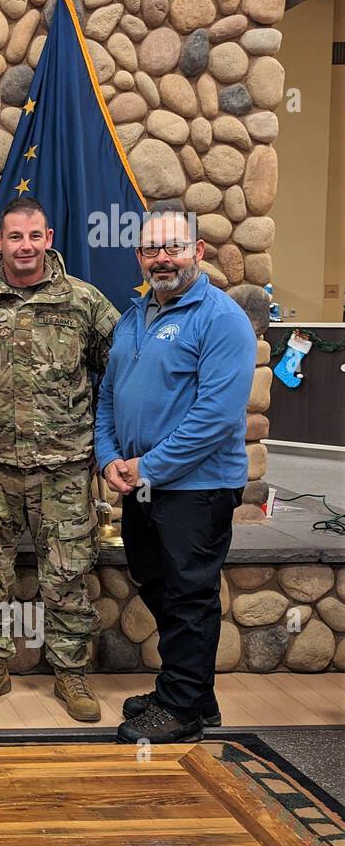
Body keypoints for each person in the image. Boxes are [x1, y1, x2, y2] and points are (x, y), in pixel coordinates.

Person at [0, 197, 119, 720]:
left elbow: (118, 374)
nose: (25, 247)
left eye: (34, 236)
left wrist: (100, 442)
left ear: (49, 237)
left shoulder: (84, 303)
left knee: (66, 575)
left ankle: (71, 675)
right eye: (14, 237)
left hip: (63, 466)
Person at [97, 210, 255, 743]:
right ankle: (190, 689)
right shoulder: (133, 315)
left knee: (189, 594)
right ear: (139, 257)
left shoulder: (222, 319)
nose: (162, 258)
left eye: (174, 247)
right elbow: (107, 397)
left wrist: (149, 466)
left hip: (197, 487)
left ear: (198, 251)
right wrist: (109, 458)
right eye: (150, 249)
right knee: (157, 580)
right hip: (139, 482)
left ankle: (182, 709)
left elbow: (214, 417)